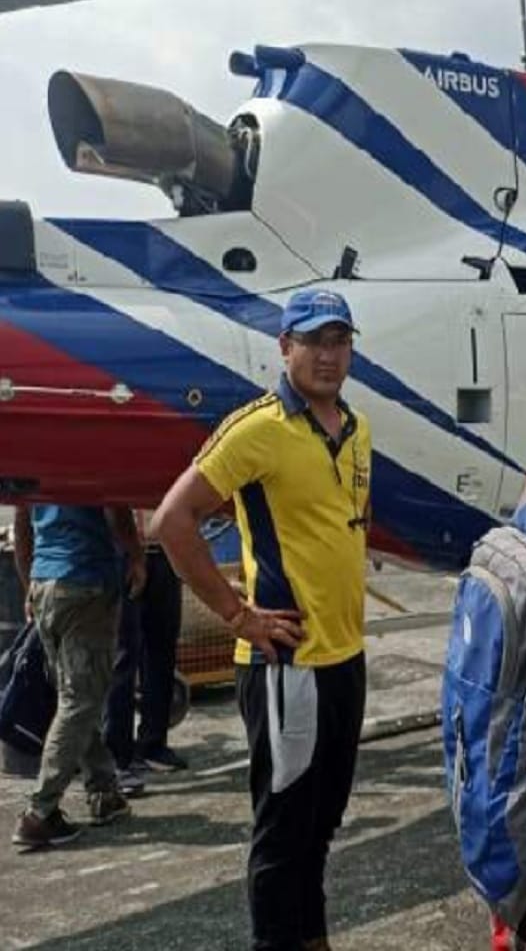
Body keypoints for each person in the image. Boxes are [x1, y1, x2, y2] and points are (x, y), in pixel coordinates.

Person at [153, 288, 372, 951]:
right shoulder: (258, 428)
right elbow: (171, 521)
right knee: (282, 833)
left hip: (345, 660)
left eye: (338, 341)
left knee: (322, 823)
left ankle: (311, 939)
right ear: (285, 347)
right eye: (313, 341)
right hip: (287, 668)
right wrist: (237, 615)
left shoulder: (357, 429)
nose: (328, 356)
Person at [9, 505, 141, 851]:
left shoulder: (36, 467)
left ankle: (103, 790)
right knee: (79, 702)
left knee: (77, 696)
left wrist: (30, 587)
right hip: (87, 582)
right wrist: (137, 556)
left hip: (45, 584)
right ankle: (39, 812)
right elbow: (117, 512)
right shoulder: (91, 460)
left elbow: (21, 528)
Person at [105, 528, 188, 799]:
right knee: (123, 656)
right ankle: (118, 755)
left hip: (163, 548)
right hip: (122, 552)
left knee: (162, 646)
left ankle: (153, 743)